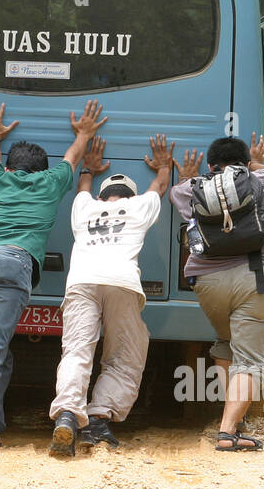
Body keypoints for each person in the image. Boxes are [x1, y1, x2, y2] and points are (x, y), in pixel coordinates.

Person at [0, 100, 107, 451]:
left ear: (9, 168)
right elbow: (73, 155)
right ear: (41, 170)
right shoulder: (51, 182)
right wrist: (83, 132)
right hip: (10, 262)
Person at [48, 134, 174, 457]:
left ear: (103, 197)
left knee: (76, 351)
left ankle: (66, 414)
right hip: (121, 284)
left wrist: (88, 169)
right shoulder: (138, 206)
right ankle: (99, 419)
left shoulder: (84, 207)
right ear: (128, 197)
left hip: (81, 283)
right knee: (125, 356)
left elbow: (82, 188)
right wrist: (163, 166)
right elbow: (160, 186)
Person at [168, 134, 264, 452]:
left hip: (206, 283)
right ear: (246, 165)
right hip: (253, 279)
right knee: (251, 361)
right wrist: (255, 159)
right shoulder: (263, 181)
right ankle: (228, 432)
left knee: (226, 345)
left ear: (210, 165)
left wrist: (190, 176)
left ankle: (233, 417)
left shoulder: (190, 190)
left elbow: (178, 197)